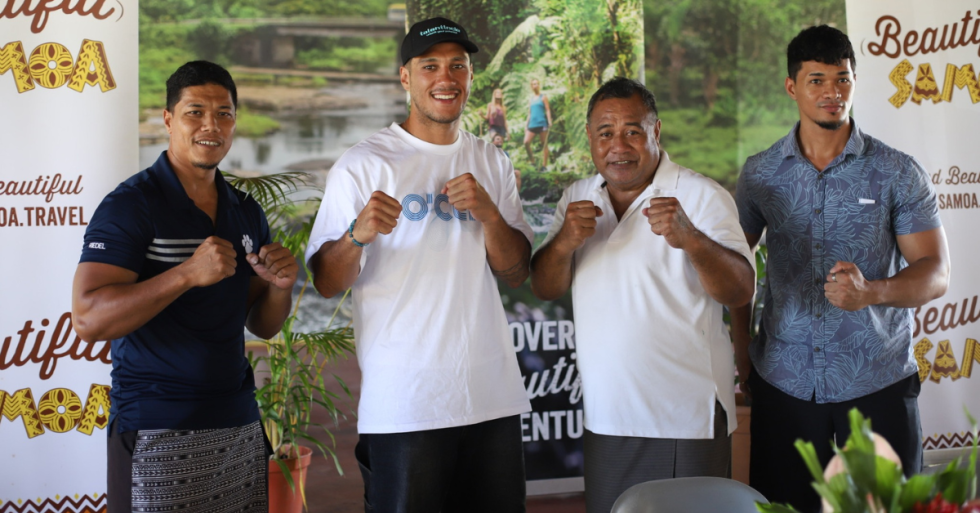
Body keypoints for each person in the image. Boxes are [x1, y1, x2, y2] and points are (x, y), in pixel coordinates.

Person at [305, 17, 532, 513]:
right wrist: (356, 235)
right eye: (430, 66)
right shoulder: (364, 164)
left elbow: (516, 272)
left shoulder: (492, 162)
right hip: (406, 402)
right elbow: (325, 281)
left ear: (471, 77)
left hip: (491, 395)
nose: (445, 78)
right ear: (405, 78)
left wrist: (489, 213)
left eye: (458, 66)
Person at [732, 25, 950, 513]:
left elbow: (935, 272)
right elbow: (735, 272)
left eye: (842, 79)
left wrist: (871, 292)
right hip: (783, 379)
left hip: (877, 379)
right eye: (817, 81)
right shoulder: (760, 173)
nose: (833, 93)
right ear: (792, 87)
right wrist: (741, 351)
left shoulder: (896, 171)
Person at [72, 61, 297, 512]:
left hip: (237, 422)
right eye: (195, 112)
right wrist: (184, 274)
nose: (211, 126)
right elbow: (89, 319)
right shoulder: (131, 205)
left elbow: (263, 325)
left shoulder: (245, 210)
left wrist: (279, 286)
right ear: (169, 119)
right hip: (157, 424)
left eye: (224, 114)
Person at [530, 77, 756, 513]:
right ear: (590, 139)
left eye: (632, 131)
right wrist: (562, 243)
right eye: (605, 133)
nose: (619, 145)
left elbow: (741, 289)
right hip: (607, 416)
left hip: (684, 417)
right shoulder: (577, 196)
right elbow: (545, 286)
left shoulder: (701, 195)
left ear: (656, 132)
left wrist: (691, 238)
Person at [523, 77, 552, 170]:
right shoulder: (531, 99)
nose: (535, 85)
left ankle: (544, 166)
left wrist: (549, 120)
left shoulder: (543, 97)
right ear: (531, 86)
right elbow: (529, 113)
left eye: (537, 84)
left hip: (542, 123)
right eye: (533, 84)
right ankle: (532, 161)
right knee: (526, 142)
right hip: (532, 124)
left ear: (539, 85)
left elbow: (547, 110)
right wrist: (526, 124)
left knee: (544, 144)